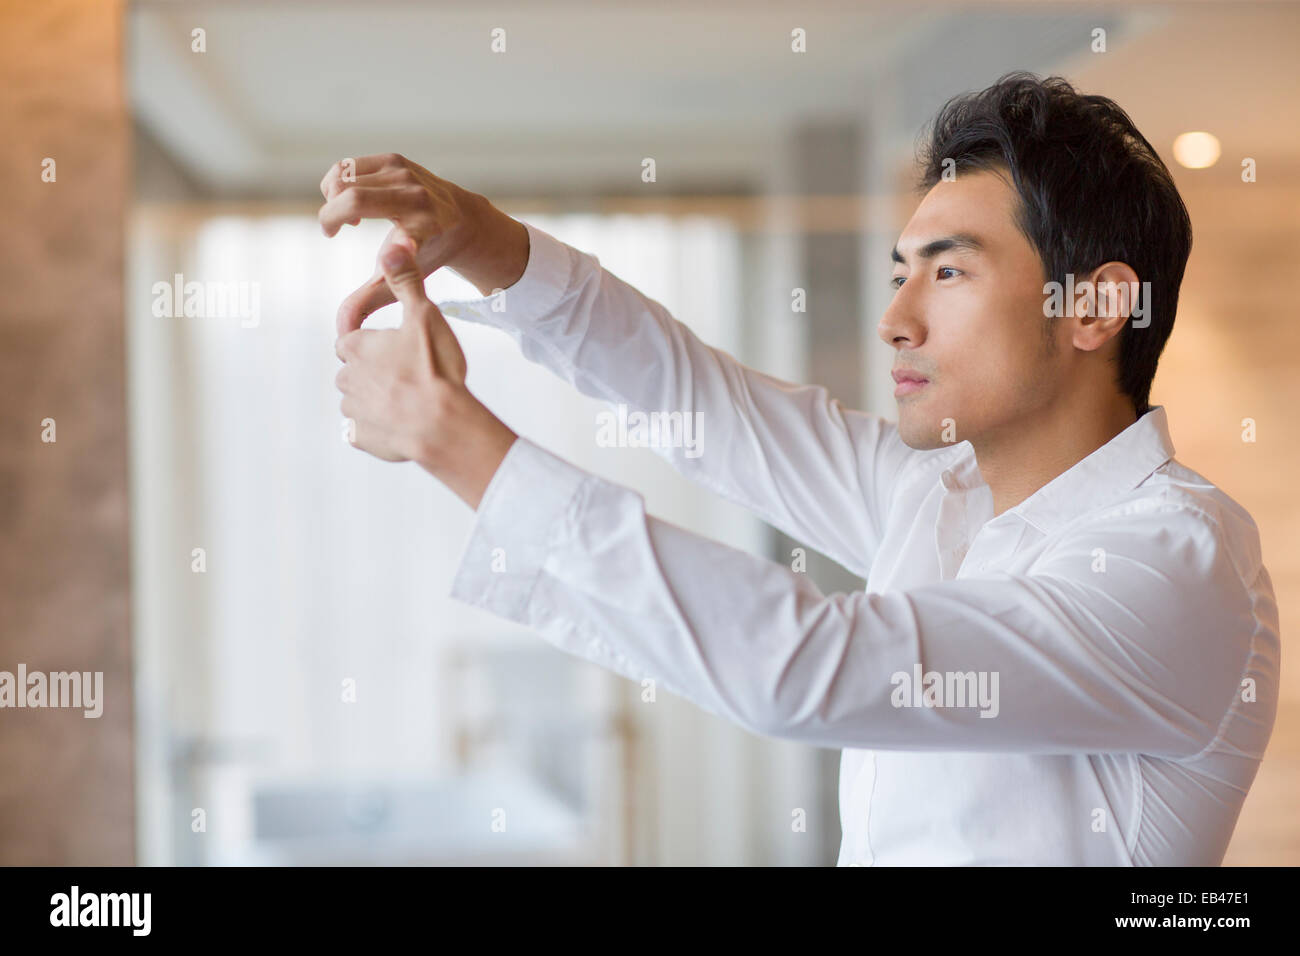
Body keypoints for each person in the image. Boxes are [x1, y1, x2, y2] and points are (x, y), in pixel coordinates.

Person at [318, 72, 1279, 866]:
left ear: (1095, 306)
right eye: (900, 272)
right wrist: (486, 242)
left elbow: (813, 667)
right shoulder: (933, 498)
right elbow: (701, 405)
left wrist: (455, 438)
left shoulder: (1173, 561)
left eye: (948, 271)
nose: (896, 318)